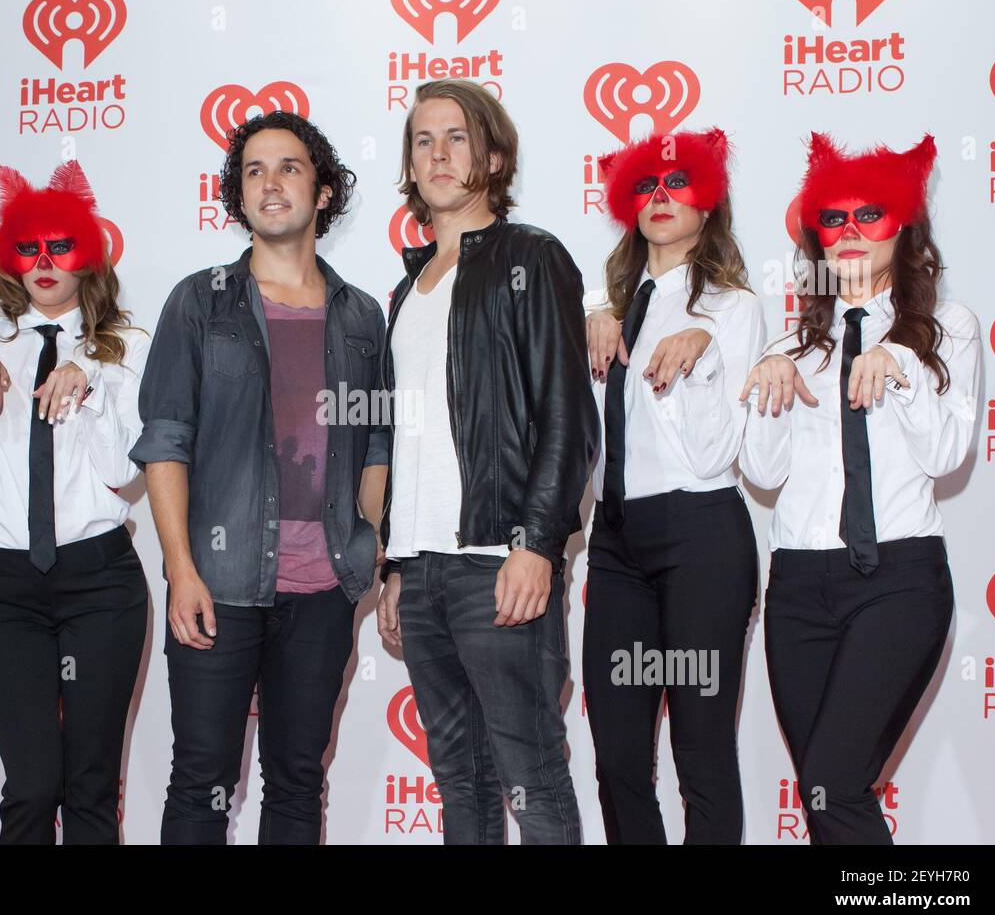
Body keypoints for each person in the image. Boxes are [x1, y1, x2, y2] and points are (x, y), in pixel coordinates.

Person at [133, 111, 388, 844]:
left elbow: (376, 440)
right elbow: (165, 442)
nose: (270, 184)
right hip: (219, 583)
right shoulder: (199, 300)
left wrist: (366, 539)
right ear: (237, 195)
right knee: (203, 778)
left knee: (298, 782)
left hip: (322, 593)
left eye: (289, 167)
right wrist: (181, 570)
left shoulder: (362, 317)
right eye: (253, 170)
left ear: (325, 192)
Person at [739, 132, 979, 844]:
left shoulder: (946, 330)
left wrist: (899, 365)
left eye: (868, 215)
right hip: (797, 590)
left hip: (899, 582)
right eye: (833, 219)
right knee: (823, 795)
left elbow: (948, 452)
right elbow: (763, 472)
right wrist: (767, 394)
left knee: (836, 785)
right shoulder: (788, 348)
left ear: (903, 227)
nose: (849, 233)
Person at [374, 79, 595, 845]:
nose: (438, 153)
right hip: (424, 567)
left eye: (458, 137)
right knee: (459, 781)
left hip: (496, 561)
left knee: (531, 776)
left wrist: (536, 543)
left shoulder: (529, 257)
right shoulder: (407, 287)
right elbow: (409, 438)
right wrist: (396, 569)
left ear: (493, 155)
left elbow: (570, 418)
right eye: (423, 140)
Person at [0, 160, 149, 844]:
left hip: (100, 582)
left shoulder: (125, 350)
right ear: (9, 258)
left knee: (89, 786)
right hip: (1, 586)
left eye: (61, 245)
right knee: (28, 786)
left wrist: (87, 386)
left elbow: (121, 471)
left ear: (88, 254)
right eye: (30, 247)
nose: (45, 261)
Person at [581, 127, 765, 844]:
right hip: (616, 543)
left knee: (701, 748)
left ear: (708, 200)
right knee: (619, 757)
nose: (659, 198)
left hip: (702, 538)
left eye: (676, 184)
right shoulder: (609, 308)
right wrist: (593, 318)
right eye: (644, 188)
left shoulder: (733, 308)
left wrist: (707, 356)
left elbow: (722, 453)